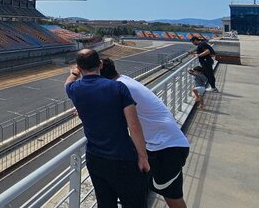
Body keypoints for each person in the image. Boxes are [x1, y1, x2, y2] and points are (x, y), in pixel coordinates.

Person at [100, 58, 190, 208]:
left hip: (167, 148)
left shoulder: (119, 87)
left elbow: (111, 115)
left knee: (172, 197)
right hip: (157, 146)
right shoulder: (123, 81)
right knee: (141, 187)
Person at [65, 49, 150, 208]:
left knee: (105, 203)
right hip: (123, 158)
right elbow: (134, 125)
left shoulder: (74, 89)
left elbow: (67, 83)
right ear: (100, 64)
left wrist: (75, 73)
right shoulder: (118, 88)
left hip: (95, 158)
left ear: (79, 67)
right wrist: (143, 156)